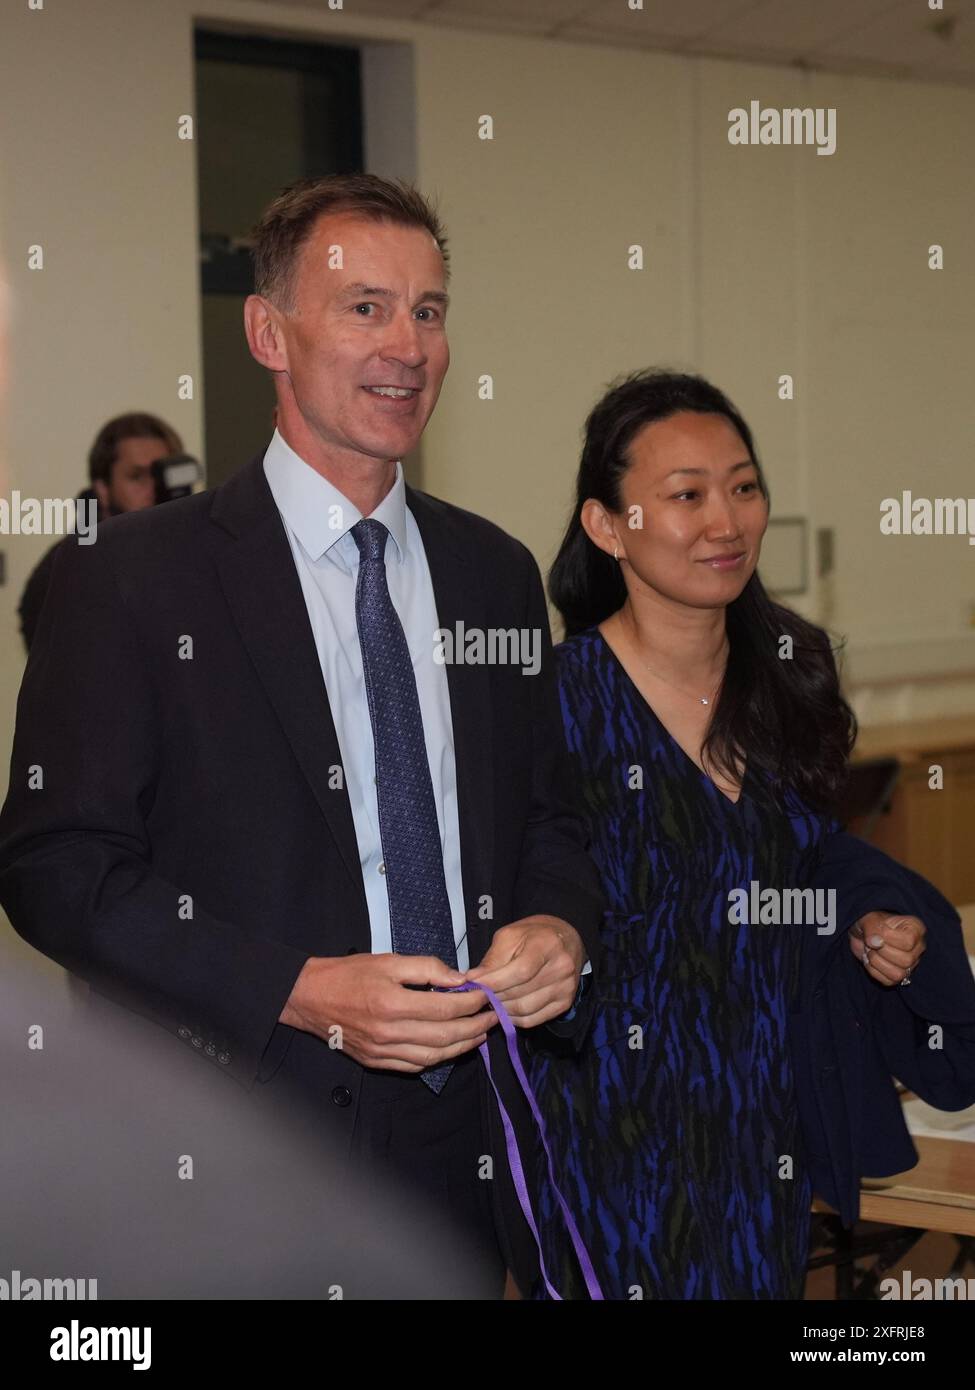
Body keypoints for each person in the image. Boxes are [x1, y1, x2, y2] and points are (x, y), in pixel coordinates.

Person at [0, 174, 604, 1299]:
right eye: (365, 306)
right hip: (228, 1139)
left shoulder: (494, 572)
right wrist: (298, 987)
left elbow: (547, 817)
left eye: (428, 309)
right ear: (267, 331)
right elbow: (56, 866)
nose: (408, 344)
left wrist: (557, 926)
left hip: (457, 1130)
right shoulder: (132, 577)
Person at [527, 368, 975, 1300]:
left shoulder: (788, 675)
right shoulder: (551, 699)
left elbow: (808, 856)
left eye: (742, 486)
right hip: (607, 1130)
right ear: (607, 526)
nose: (724, 521)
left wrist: (863, 915)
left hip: (764, 1119)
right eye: (684, 495)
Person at [17, 412, 183, 650]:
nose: (154, 488)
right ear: (103, 489)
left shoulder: (190, 552)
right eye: (137, 477)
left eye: (162, 475)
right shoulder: (67, 568)